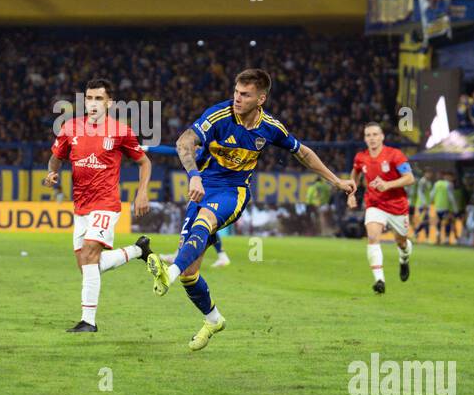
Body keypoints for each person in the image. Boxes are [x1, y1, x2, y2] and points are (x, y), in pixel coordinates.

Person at [143, 69, 355, 351]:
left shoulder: (271, 128)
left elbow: (303, 152)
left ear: (261, 98)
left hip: (233, 192)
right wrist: (193, 174)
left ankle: (167, 275)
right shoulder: (219, 115)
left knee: (204, 223)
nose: (237, 98)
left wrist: (336, 180)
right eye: (236, 92)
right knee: (190, 274)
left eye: (245, 94)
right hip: (202, 187)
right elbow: (184, 142)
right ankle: (213, 319)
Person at [44, 78, 153, 333]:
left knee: (90, 253)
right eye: (89, 98)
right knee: (87, 266)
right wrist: (51, 174)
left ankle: (88, 322)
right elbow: (55, 158)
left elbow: (144, 162)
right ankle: (137, 251)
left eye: (98, 99)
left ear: (109, 102)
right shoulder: (70, 128)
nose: (93, 104)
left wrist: (142, 192)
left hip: (106, 203)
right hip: (80, 206)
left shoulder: (120, 131)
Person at [348, 122, 415, 294]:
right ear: (364, 138)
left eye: (375, 134)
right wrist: (351, 193)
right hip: (374, 203)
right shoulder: (360, 157)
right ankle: (379, 280)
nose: (372, 138)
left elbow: (409, 178)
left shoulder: (395, 155)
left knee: (401, 242)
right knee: (372, 236)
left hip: (397, 205)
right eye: (368, 135)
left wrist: (388, 185)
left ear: (382, 136)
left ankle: (404, 258)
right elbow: (355, 173)